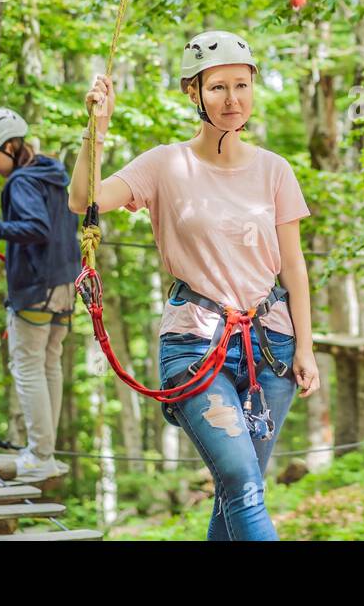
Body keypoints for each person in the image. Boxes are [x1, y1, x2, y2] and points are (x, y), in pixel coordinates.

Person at [70, 30, 320, 540]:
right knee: (241, 481)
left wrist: (307, 348)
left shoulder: (275, 170)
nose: (233, 100)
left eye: (242, 86)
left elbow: (293, 266)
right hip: (195, 338)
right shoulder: (167, 163)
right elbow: (83, 199)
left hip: (271, 343)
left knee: (239, 490)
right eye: (218, 87)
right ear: (193, 93)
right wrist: (96, 130)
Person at [0, 108, 81, 483]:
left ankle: (40, 455)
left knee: (27, 367)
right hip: (65, 284)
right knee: (48, 364)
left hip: (36, 288)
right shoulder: (54, 174)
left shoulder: (22, 182)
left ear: (11, 146)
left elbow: (35, 228)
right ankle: (46, 452)